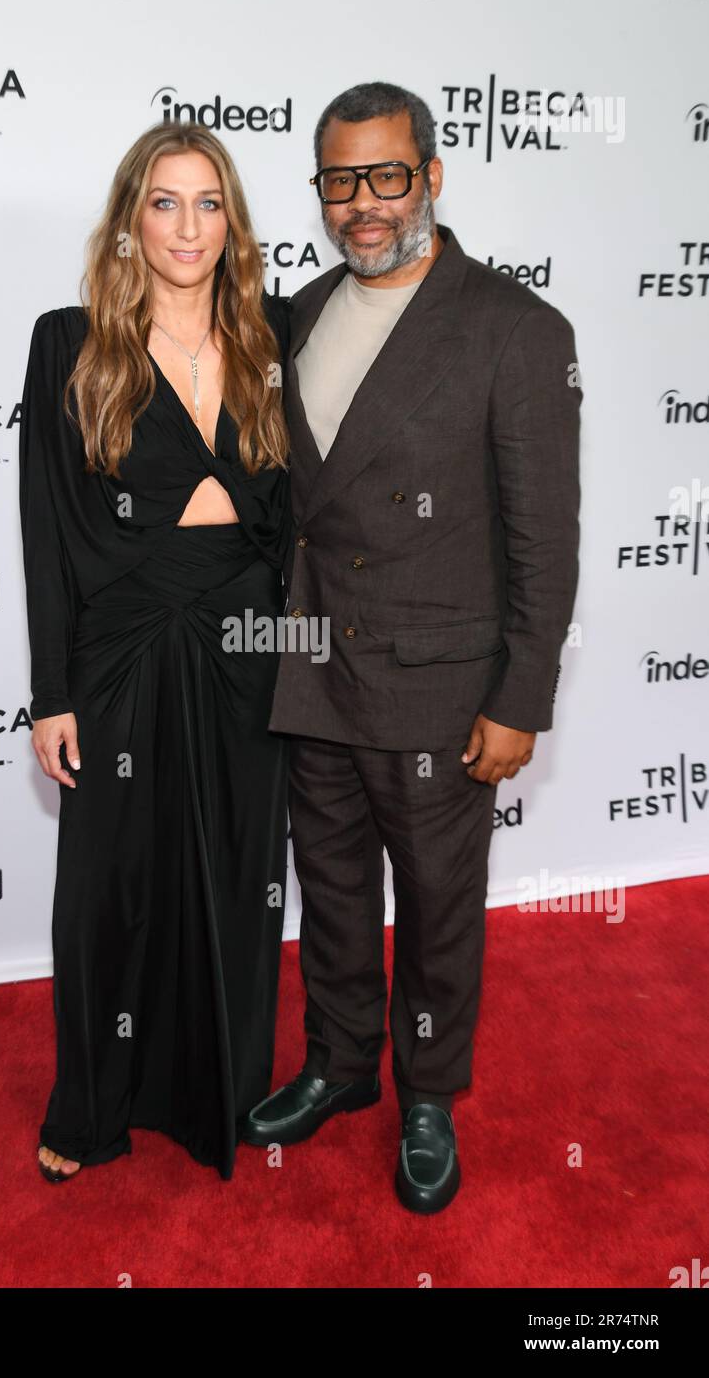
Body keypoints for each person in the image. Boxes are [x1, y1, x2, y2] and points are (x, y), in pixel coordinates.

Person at [241, 81, 582, 1214]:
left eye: (386, 175)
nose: (363, 204)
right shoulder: (295, 312)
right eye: (340, 181)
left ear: (431, 175)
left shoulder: (513, 329)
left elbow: (542, 533)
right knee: (332, 890)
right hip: (315, 668)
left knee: (436, 902)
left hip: (440, 688)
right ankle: (340, 1065)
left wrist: (519, 695)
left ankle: (426, 1093)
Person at [18, 121, 292, 1184]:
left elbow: (297, 510)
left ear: (233, 221)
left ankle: (214, 1092)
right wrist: (51, 691)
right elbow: (47, 530)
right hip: (123, 641)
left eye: (208, 202)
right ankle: (90, 1106)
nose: (188, 225)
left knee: (233, 874)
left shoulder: (269, 337)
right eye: (164, 202)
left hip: (247, 639)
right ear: (130, 220)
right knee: (106, 886)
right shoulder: (69, 342)